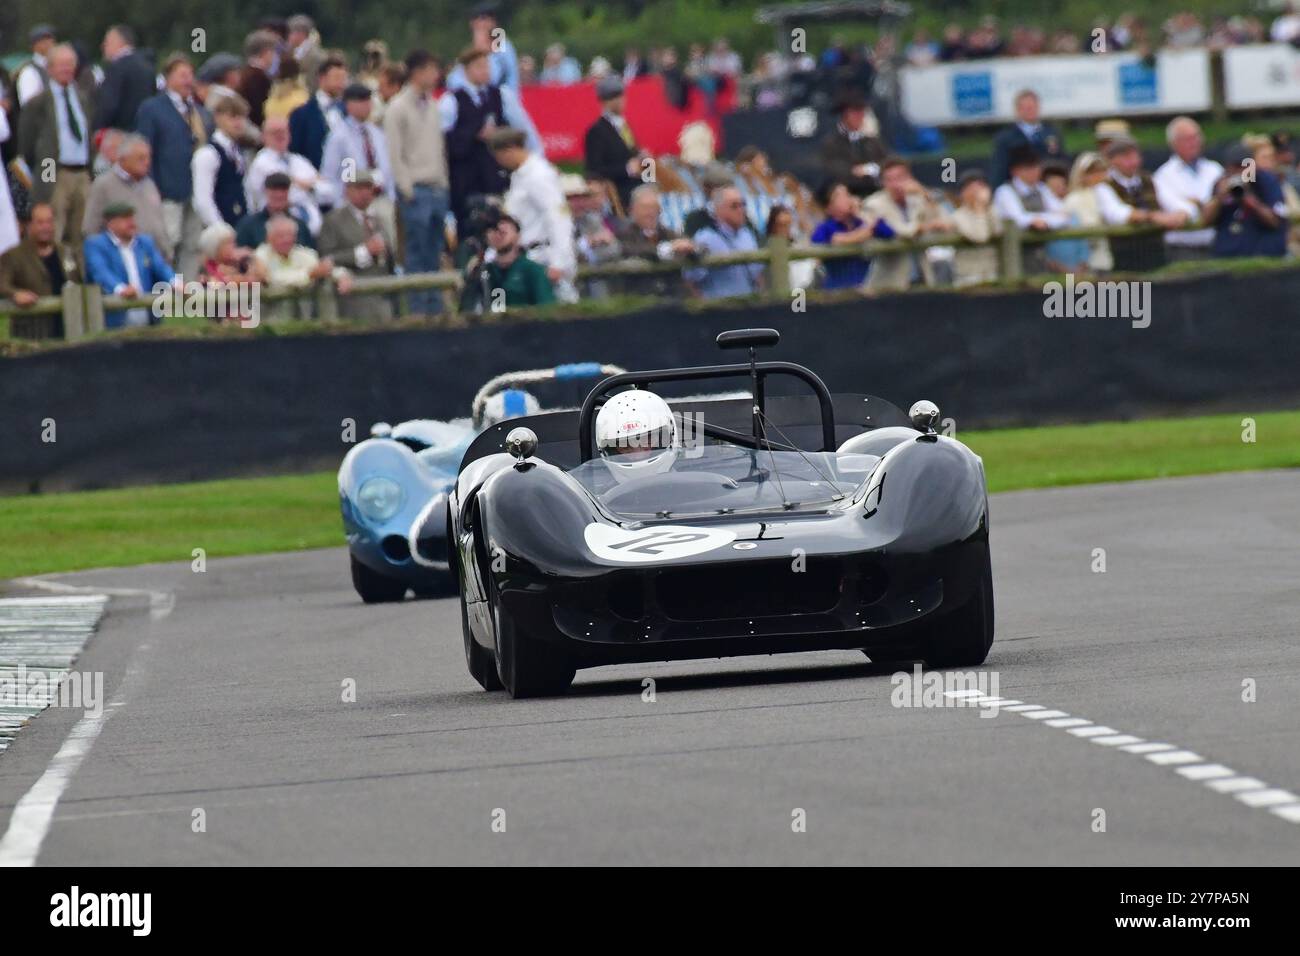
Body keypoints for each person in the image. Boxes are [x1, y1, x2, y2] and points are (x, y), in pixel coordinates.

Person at [441, 48, 540, 228]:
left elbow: (522, 127)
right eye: (479, 66)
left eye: (487, 66)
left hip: (496, 176)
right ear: (466, 70)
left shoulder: (500, 96)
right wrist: (474, 134)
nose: (485, 71)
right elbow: (445, 142)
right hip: (466, 180)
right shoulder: (452, 101)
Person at [384, 50, 451, 314]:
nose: (436, 76)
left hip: (437, 187)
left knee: (435, 253)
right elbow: (395, 153)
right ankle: (418, 311)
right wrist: (406, 188)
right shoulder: (398, 107)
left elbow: (439, 147)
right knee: (416, 253)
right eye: (432, 69)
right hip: (416, 189)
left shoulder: (433, 105)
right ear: (417, 72)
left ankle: (436, 309)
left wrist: (444, 182)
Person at [135, 55, 212, 275]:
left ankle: (187, 297)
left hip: (195, 190)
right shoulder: (152, 108)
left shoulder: (198, 110)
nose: (188, 81)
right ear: (168, 78)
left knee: (192, 244)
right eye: (182, 75)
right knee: (168, 242)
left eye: (190, 75)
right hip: (167, 189)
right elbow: (145, 148)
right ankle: (164, 293)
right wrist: (150, 187)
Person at [17, 44, 95, 247]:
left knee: (82, 229)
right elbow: (26, 143)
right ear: (50, 69)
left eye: (70, 64)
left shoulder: (82, 98)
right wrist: (44, 171)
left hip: (81, 171)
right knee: (54, 225)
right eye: (61, 65)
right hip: (53, 168)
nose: (66, 69)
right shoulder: (39, 103)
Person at [489, 126, 577, 301]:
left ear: (509, 151)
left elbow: (558, 218)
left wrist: (559, 262)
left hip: (544, 258)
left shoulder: (538, 175)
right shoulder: (519, 176)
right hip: (527, 258)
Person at [1095, 135, 1188, 271]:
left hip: (1156, 254)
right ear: (1112, 160)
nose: (1133, 161)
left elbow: (1175, 202)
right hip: (1125, 257)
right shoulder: (1104, 187)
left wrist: (1182, 213)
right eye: (1126, 156)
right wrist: (1154, 217)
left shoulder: (1150, 180)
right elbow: (1117, 214)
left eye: (1135, 155)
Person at [864, 157, 954, 292]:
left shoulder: (917, 198)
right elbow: (900, 231)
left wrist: (925, 194)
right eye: (890, 179)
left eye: (900, 178)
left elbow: (946, 222)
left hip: (923, 278)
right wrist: (924, 227)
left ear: (910, 178)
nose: (896, 184)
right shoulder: (874, 204)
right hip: (889, 285)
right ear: (883, 182)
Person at [318, 171, 396, 320]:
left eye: (368, 188)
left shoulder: (378, 220)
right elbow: (326, 258)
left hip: (382, 298)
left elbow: (390, 261)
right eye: (359, 188)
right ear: (347, 191)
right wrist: (363, 252)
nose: (365, 193)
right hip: (353, 298)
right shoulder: (334, 220)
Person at [83, 202, 175, 328]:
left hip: (147, 319)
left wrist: (176, 283)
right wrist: (121, 289)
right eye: (125, 219)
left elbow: (161, 267)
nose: (131, 223)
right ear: (111, 223)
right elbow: (101, 272)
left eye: (132, 218)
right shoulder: (95, 245)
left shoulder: (145, 242)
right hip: (115, 321)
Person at [0, 203, 83, 338]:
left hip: (68, 329)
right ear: (29, 225)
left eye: (49, 222)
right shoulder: (12, 256)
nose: (46, 227)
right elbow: (2, 284)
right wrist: (15, 294)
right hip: (32, 331)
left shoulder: (66, 252)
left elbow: (79, 280)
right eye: (40, 222)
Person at [247, 116, 332, 236]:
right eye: (274, 132)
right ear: (264, 136)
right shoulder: (261, 163)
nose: (280, 135)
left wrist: (308, 186)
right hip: (280, 228)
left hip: (314, 227)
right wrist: (311, 184)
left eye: (283, 131)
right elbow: (290, 195)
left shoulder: (300, 160)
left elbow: (328, 193)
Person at [1153, 116, 1223, 262]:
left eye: (1196, 136)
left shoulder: (1215, 169)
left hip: (1216, 244)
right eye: (1187, 139)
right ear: (1173, 143)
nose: (1194, 142)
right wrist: (1204, 205)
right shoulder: (1162, 176)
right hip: (1181, 248)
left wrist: (1197, 204)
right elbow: (1177, 211)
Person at [255, 214, 350, 320]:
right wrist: (309, 275)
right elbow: (271, 279)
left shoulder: (305, 254)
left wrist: (342, 275)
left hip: (305, 322)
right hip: (271, 322)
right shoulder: (260, 256)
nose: (286, 240)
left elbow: (323, 268)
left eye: (290, 235)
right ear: (269, 238)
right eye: (281, 236)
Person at [83, 134, 167, 253]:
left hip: (155, 259)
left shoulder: (149, 185)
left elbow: (159, 226)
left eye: (149, 157)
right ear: (124, 159)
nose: (147, 162)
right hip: (121, 260)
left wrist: (167, 253)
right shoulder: (104, 185)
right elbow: (91, 228)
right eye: (141, 158)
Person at [1205, 147, 1288, 258]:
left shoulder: (1267, 182)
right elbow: (1206, 220)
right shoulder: (1222, 183)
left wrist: (1248, 198)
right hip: (1227, 253)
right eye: (1236, 167)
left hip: (1262, 253)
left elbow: (1275, 221)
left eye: (1245, 167)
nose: (1241, 171)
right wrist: (1219, 197)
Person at [810, 181, 894, 289]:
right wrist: (862, 234)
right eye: (838, 196)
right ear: (828, 207)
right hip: (837, 291)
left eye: (847, 194)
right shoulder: (825, 228)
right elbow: (824, 243)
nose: (847, 199)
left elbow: (889, 233)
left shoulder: (862, 220)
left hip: (867, 287)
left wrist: (860, 214)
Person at [685, 185, 764, 299]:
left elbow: (757, 274)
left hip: (749, 306)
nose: (741, 210)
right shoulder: (705, 238)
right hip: (720, 309)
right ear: (719, 209)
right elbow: (691, 280)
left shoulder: (747, 234)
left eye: (743, 204)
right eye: (734, 206)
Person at [615, 184, 694, 296]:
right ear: (632, 210)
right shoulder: (623, 234)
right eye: (645, 208)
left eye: (654, 208)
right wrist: (667, 249)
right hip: (639, 299)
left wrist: (689, 248)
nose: (650, 213)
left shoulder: (668, 233)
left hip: (673, 298)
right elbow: (631, 250)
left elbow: (697, 248)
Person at [583, 76, 646, 211]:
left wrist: (648, 167)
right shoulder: (596, 131)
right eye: (615, 97)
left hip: (640, 184)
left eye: (621, 96)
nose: (621, 101)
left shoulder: (624, 126)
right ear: (605, 102)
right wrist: (627, 169)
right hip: (621, 191)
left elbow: (633, 155)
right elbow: (594, 170)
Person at [192, 95, 252, 229]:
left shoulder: (239, 152)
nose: (238, 122)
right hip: (220, 230)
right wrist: (220, 229)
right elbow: (202, 201)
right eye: (232, 117)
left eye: (241, 117)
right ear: (217, 118)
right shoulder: (208, 154)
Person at [595, 389, 679, 483]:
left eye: (647, 440)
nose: (638, 454)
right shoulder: (599, 495)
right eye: (625, 446)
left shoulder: (690, 484)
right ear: (610, 450)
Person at [819, 89, 887, 197]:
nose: (860, 117)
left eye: (862, 113)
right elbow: (833, 169)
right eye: (855, 113)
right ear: (844, 115)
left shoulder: (872, 141)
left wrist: (868, 169)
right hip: (844, 195)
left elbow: (886, 163)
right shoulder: (831, 143)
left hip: (874, 193)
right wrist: (853, 172)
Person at [481, 212, 555, 308]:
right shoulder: (485, 272)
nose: (498, 235)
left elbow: (546, 308)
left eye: (503, 232)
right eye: (493, 231)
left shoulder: (532, 271)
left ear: (517, 236)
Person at [990, 89, 1064, 186]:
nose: (1030, 111)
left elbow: (1062, 162)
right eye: (1026, 108)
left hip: (1049, 187)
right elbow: (1000, 170)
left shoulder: (1052, 134)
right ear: (1017, 110)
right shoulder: (1006, 139)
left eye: (1033, 107)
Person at [196, 221, 265, 323]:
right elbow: (220, 284)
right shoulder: (206, 268)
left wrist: (252, 256)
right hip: (219, 324)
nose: (233, 247)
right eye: (228, 243)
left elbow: (263, 278)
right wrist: (242, 279)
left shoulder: (239, 263)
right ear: (215, 247)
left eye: (233, 242)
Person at [92, 26, 156, 135]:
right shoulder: (148, 67)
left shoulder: (117, 68)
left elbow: (109, 106)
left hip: (119, 138)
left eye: (107, 42)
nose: (103, 46)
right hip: (143, 137)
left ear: (118, 42)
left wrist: (96, 129)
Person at [446, 3, 521, 92]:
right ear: (473, 23)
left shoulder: (502, 45)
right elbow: (452, 82)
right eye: (483, 19)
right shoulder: (472, 48)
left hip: (502, 100)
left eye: (491, 19)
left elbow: (493, 78)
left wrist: (483, 50)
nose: (487, 23)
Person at [289, 57, 348, 169]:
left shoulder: (347, 112)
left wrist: (350, 179)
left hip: (344, 178)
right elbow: (295, 152)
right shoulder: (302, 115)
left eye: (344, 78)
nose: (341, 83)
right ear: (322, 79)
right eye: (336, 78)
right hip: (314, 177)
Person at [1063, 152, 1113, 272]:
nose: (1098, 176)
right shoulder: (1073, 199)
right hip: (1083, 263)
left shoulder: (1107, 194)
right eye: (1092, 172)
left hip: (1106, 259)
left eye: (1101, 171)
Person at [236, 172, 313, 249]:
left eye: (283, 189)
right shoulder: (248, 225)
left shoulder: (300, 226)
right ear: (266, 191)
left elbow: (310, 253)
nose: (279, 194)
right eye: (274, 189)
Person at [950, 170, 1001, 286]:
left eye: (980, 187)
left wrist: (986, 208)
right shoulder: (957, 216)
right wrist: (979, 208)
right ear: (961, 193)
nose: (976, 192)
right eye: (970, 188)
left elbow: (999, 231)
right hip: (968, 277)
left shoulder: (993, 211)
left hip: (994, 273)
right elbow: (980, 237)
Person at [236, 31, 279, 129]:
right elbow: (260, 111)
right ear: (265, 52)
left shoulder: (244, 73)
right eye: (272, 52)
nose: (273, 57)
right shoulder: (258, 78)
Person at [14, 25, 57, 107]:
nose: (49, 43)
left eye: (51, 39)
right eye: (44, 40)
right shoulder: (29, 71)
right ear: (34, 45)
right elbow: (28, 105)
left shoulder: (57, 66)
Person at [287, 15, 325, 92]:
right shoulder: (294, 52)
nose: (288, 37)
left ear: (300, 34)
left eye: (290, 33)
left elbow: (314, 83)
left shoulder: (315, 56)